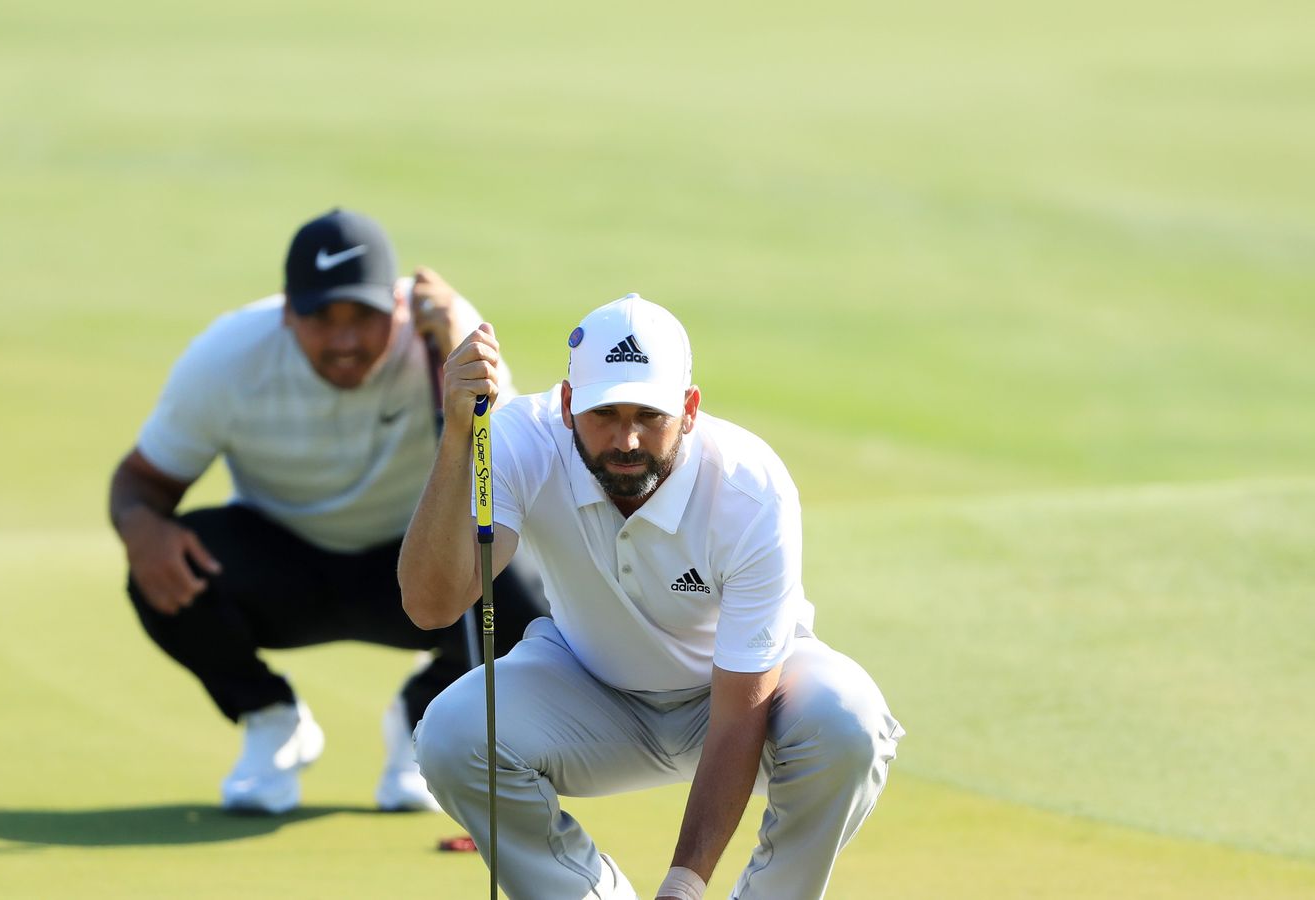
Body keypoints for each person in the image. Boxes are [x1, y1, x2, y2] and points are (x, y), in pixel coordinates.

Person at [399, 294, 904, 899]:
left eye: (650, 415)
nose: (628, 440)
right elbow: (431, 605)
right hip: (591, 691)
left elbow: (740, 710)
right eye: (605, 413)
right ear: (566, 405)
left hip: (745, 703)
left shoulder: (749, 489)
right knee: (453, 736)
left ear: (689, 410)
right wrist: (458, 439)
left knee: (849, 721)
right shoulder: (518, 440)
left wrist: (683, 886)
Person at [109, 208, 545, 815]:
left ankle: (423, 722)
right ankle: (270, 720)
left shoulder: (446, 340)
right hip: (281, 562)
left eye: (362, 317)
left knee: (532, 583)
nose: (344, 340)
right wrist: (140, 527)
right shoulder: (229, 356)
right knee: (161, 562)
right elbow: (138, 484)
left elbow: (516, 479)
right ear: (288, 311)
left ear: (395, 307)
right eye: (321, 318)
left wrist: (453, 356)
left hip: (415, 569)